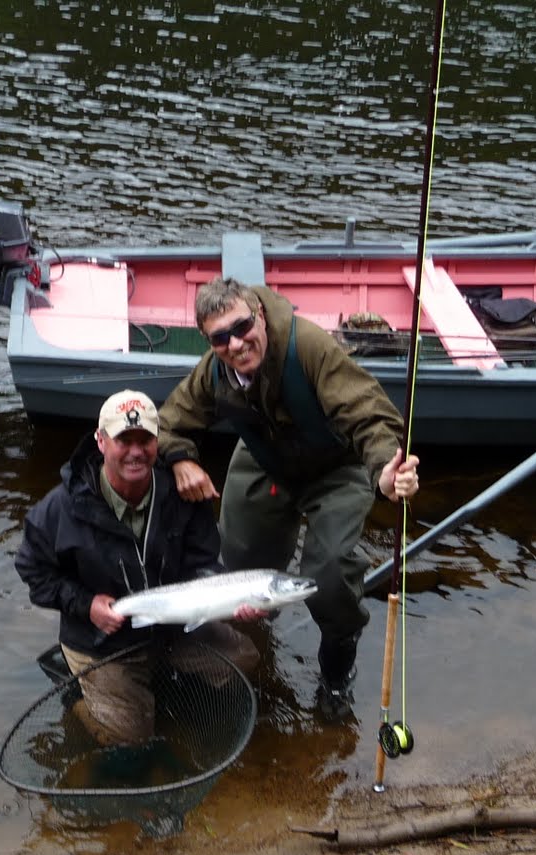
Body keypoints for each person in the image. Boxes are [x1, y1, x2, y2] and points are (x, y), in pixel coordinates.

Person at [156, 277, 420, 716]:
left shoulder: (311, 348)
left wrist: (385, 474)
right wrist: (182, 459)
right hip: (266, 463)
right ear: (208, 341)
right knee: (232, 570)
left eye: (243, 328)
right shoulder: (214, 370)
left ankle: (337, 673)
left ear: (258, 314)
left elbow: (370, 418)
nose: (237, 344)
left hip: (335, 468)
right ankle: (243, 659)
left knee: (329, 576)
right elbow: (168, 424)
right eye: (221, 338)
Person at [15, 389, 259, 745]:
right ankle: (84, 708)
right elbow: (34, 574)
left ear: (157, 442)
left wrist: (230, 601)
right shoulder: (57, 510)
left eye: (144, 439)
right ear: (100, 442)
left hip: (171, 627)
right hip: (101, 640)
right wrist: (86, 605)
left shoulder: (183, 495)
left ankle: (163, 683)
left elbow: (203, 563)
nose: (135, 451)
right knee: (129, 736)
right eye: (123, 440)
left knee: (244, 661)